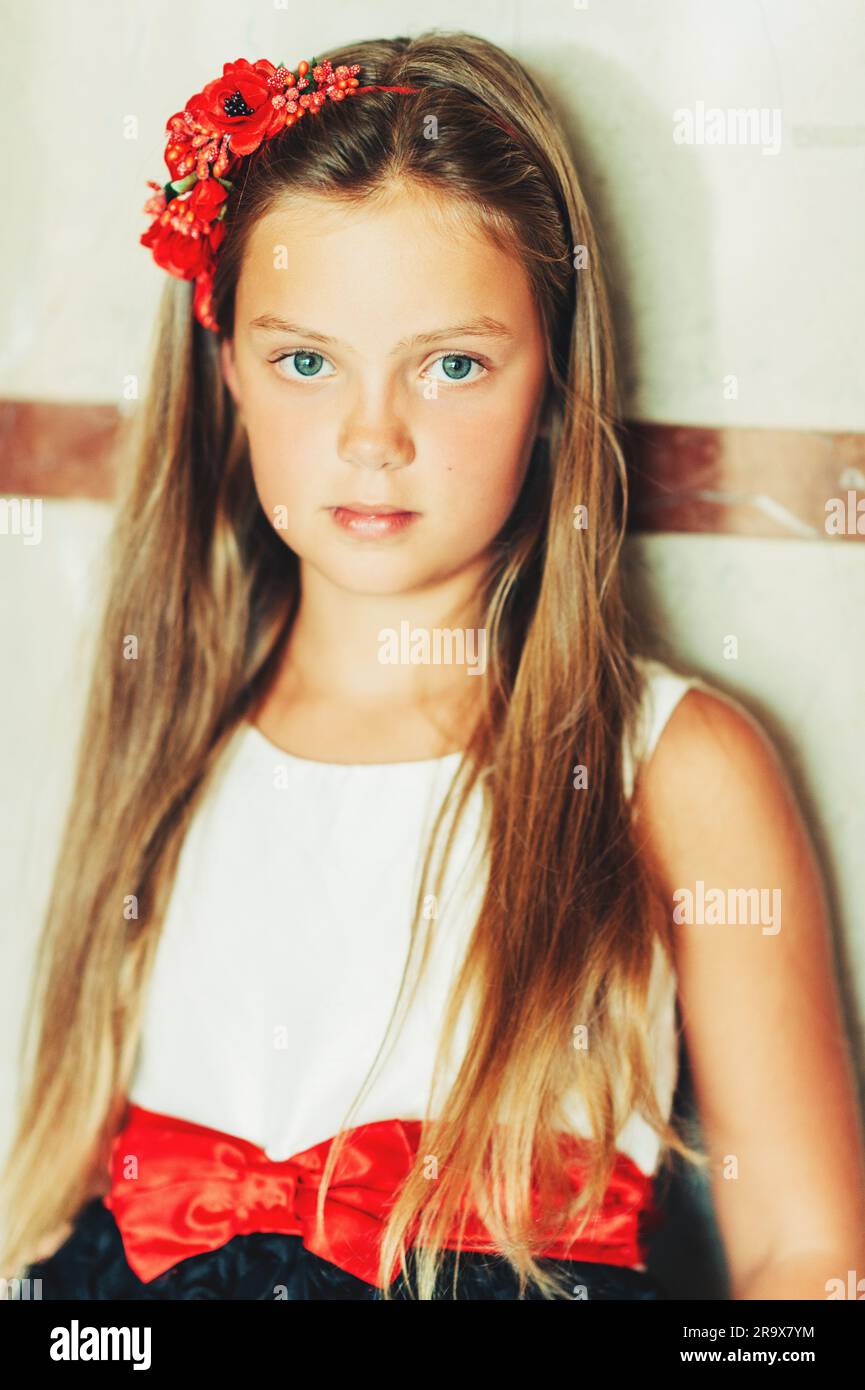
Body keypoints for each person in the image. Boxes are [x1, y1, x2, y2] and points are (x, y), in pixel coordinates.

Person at [3, 31, 864, 1302]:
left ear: (552, 377)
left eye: (451, 365)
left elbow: (811, 1256)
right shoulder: (169, 727)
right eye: (306, 361)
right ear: (227, 367)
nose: (372, 437)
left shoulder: (671, 768)